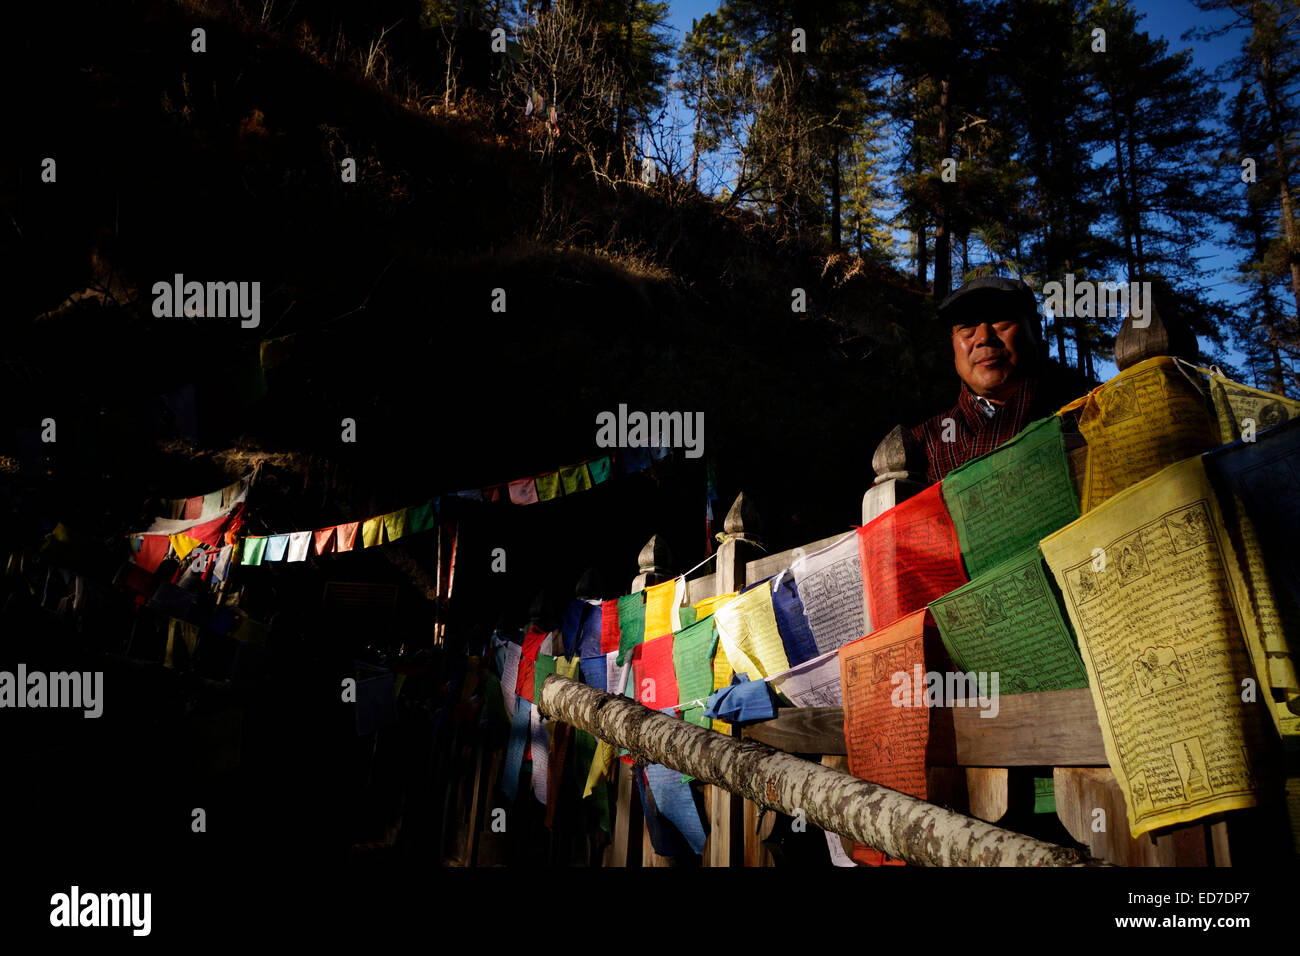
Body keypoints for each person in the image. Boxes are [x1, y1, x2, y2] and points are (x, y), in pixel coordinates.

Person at [911, 276, 1070, 485]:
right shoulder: (921, 444)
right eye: (967, 327)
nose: (984, 338)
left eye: (1000, 320)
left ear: (1035, 332)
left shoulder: (1082, 414)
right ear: (952, 344)